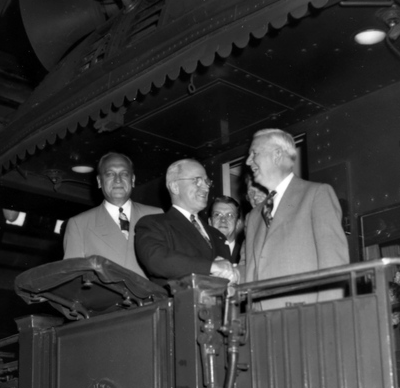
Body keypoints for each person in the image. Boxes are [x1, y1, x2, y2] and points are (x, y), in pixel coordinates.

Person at [241, 128, 349, 308]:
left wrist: (328, 317)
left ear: (277, 155)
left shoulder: (316, 194)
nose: (247, 161)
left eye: (254, 153)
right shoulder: (253, 216)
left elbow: (333, 266)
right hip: (262, 324)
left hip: (305, 317)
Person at [134, 159, 237, 287]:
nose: (206, 187)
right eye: (197, 180)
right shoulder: (153, 224)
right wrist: (211, 267)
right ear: (175, 187)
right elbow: (156, 259)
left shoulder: (217, 235)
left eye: (207, 182)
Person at [63, 152, 163, 278]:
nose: (118, 179)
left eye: (124, 174)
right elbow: (72, 280)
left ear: (132, 180)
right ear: (99, 181)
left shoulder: (157, 215)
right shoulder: (79, 225)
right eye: (110, 174)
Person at [208, 195, 244, 265]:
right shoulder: (201, 252)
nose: (223, 220)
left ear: (238, 223)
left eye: (230, 215)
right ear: (210, 222)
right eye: (217, 215)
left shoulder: (247, 253)